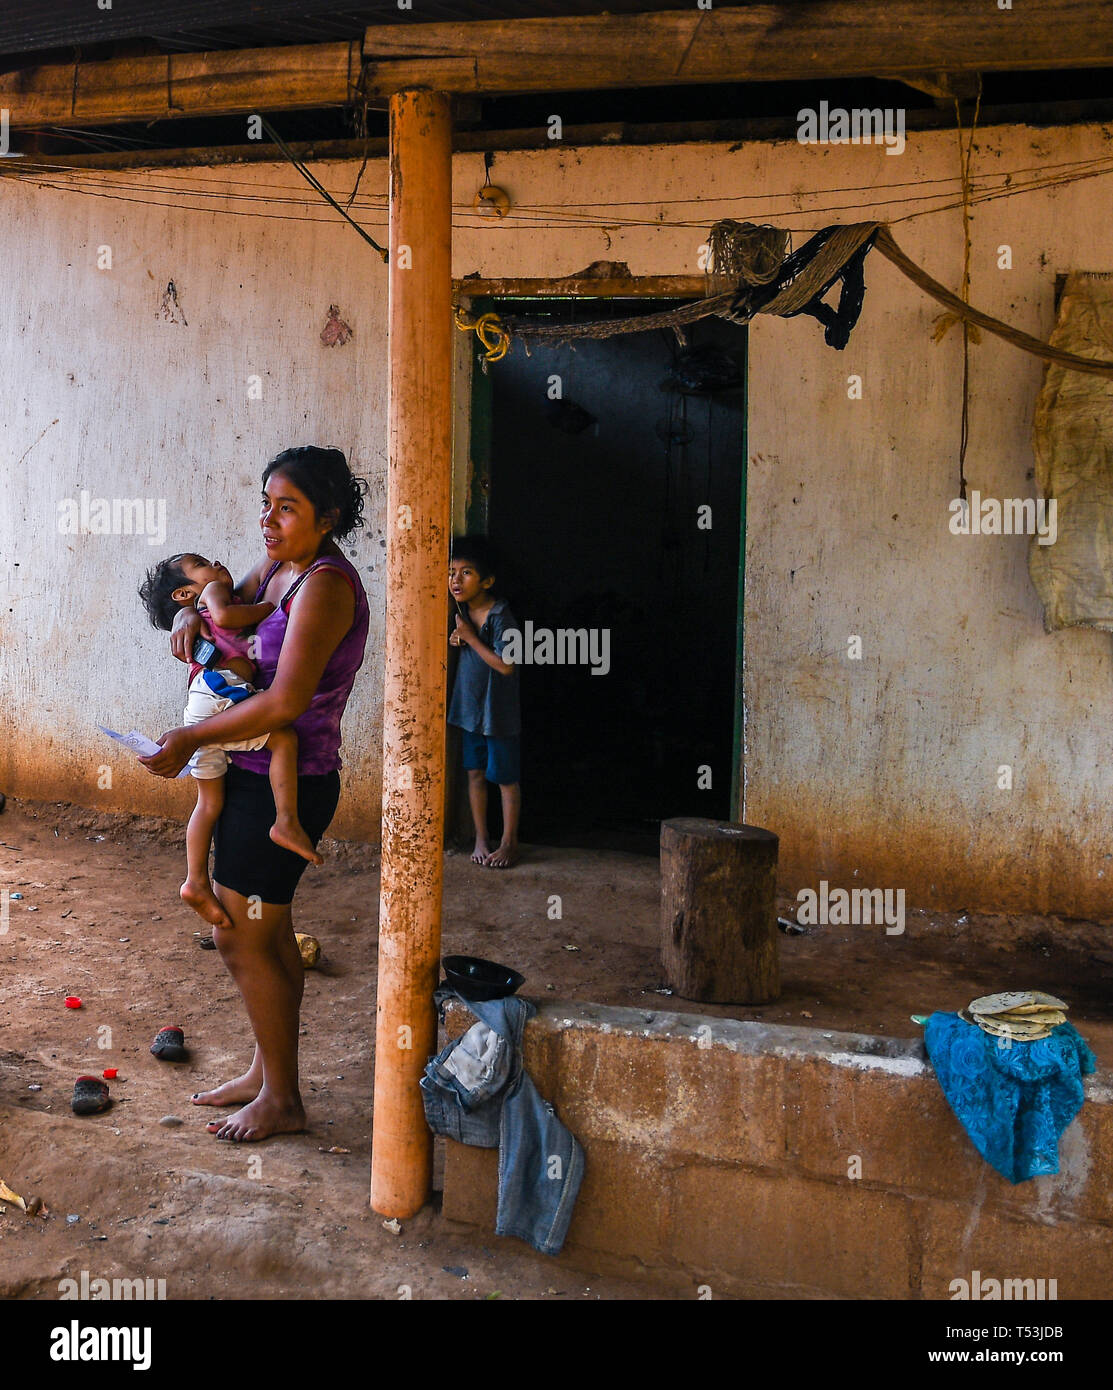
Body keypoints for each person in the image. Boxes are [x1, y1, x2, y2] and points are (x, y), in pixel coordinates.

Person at [140, 447, 370, 1142]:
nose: (268, 519)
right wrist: (189, 621)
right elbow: (225, 613)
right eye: (266, 503)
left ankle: (284, 1101)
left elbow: (283, 702)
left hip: (285, 784)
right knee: (264, 938)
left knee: (240, 939)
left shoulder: (324, 586)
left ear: (326, 517)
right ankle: (268, 1075)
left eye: (287, 507)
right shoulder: (276, 567)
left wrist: (186, 741)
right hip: (248, 774)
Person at [138, 552, 321, 933]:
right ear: (185, 593)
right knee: (284, 738)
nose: (217, 561)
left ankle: (195, 881)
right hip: (223, 691)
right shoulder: (217, 591)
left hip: (202, 701)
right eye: (201, 562)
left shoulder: (204, 600)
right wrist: (270, 608)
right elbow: (224, 617)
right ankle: (286, 820)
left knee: (209, 802)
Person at [448, 535, 521, 869]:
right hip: (469, 712)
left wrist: (470, 638)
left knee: (505, 778)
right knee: (474, 774)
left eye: (466, 573)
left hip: (498, 715)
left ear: (487, 581)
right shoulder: (460, 612)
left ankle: (509, 842)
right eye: (452, 572)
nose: (455, 580)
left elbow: (507, 664)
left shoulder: (501, 615)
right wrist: (460, 637)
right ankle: (480, 837)